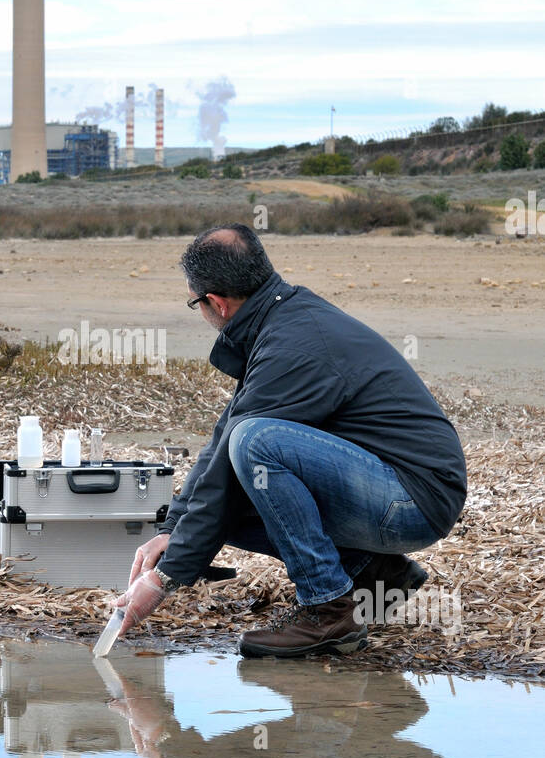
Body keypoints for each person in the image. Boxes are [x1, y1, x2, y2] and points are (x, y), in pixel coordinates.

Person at [114, 223, 467, 658]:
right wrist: (172, 531)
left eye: (195, 302)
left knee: (255, 445)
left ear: (217, 304)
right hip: (387, 487)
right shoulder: (281, 321)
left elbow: (237, 446)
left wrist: (164, 579)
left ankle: (327, 610)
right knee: (241, 461)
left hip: (413, 499)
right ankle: (374, 574)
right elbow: (221, 445)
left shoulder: (294, 343)